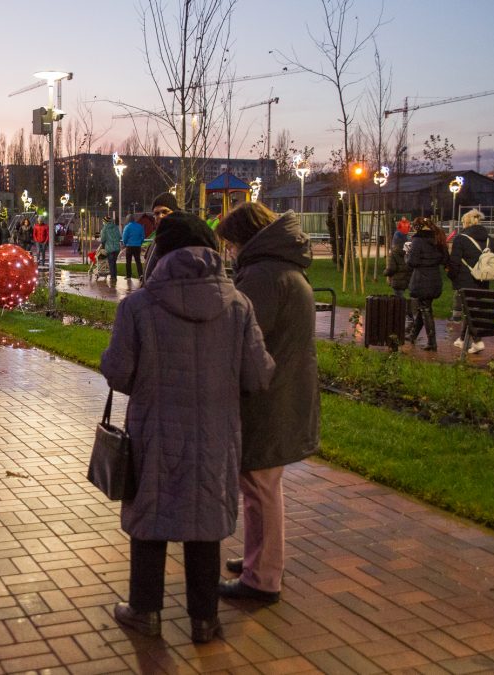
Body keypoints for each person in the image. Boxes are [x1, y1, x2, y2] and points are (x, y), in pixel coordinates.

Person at [101, 211, 275, 645]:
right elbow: (258, 375)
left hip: (154, 433)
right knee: (204, 517)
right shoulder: (238, 305)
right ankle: (204, 620)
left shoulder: (138, 307)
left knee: (150, 517)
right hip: (216, 435)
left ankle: (145, 611)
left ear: (159, 252)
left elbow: (118, 373)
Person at [216, 202, 320, 606]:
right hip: (283, 389)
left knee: (260, 485)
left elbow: (242, 336)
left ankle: (263, 578)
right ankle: (261, 558)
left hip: (268, 394)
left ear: (245, 238)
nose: (229, 252)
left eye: (230, 244)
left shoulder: (263, 275)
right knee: (261, 484)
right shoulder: (284, 268)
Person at [448, 209, 494, 354]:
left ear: (466, 222)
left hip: (465, 281)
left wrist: (452, 277)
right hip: (483, 280)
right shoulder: (489, 239)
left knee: (469, 311)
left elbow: (454, 262)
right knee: (472, 311)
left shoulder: (460, 239)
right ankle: (462, 339)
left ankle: (477, 340)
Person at [405, 217, 448, 351]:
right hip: (434, 278)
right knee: (423, 307)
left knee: (425, 309)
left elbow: (412, 262)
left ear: (418, 227)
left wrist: (407, 254)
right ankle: (413, 335)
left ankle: (432, 342)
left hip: (422, 280)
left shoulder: (418, 240)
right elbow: (445, 258)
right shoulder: (438, 238)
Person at [384, 223, 411, 300]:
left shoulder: (394, 253)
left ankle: (401, 307)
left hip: (397, 281)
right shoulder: (409, 251)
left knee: (399, 299)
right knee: (411, 299)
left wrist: (385, 272)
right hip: (409, 279)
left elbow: (391, 268)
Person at [121, 214, 145, 281]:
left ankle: (128, 276)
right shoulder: (140, 226)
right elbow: (143, 236)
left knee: (128, 261)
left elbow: (124, 237)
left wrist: (125, 244)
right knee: (138, 261)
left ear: (128, 219)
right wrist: (140, 243)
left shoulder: (127, 227)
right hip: (137, 246)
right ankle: (141, 275)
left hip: (129, 246)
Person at [99, 216, 122, 283]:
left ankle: (113, 277)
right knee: (114, 262)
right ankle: (115, 276)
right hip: (117, 248)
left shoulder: (105, 228)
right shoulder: (116, 227)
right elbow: (119, 237)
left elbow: (103, 239)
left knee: (111, 263)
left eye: (103, 221)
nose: (103, 222)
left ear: (105, 222)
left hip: (109, 248)